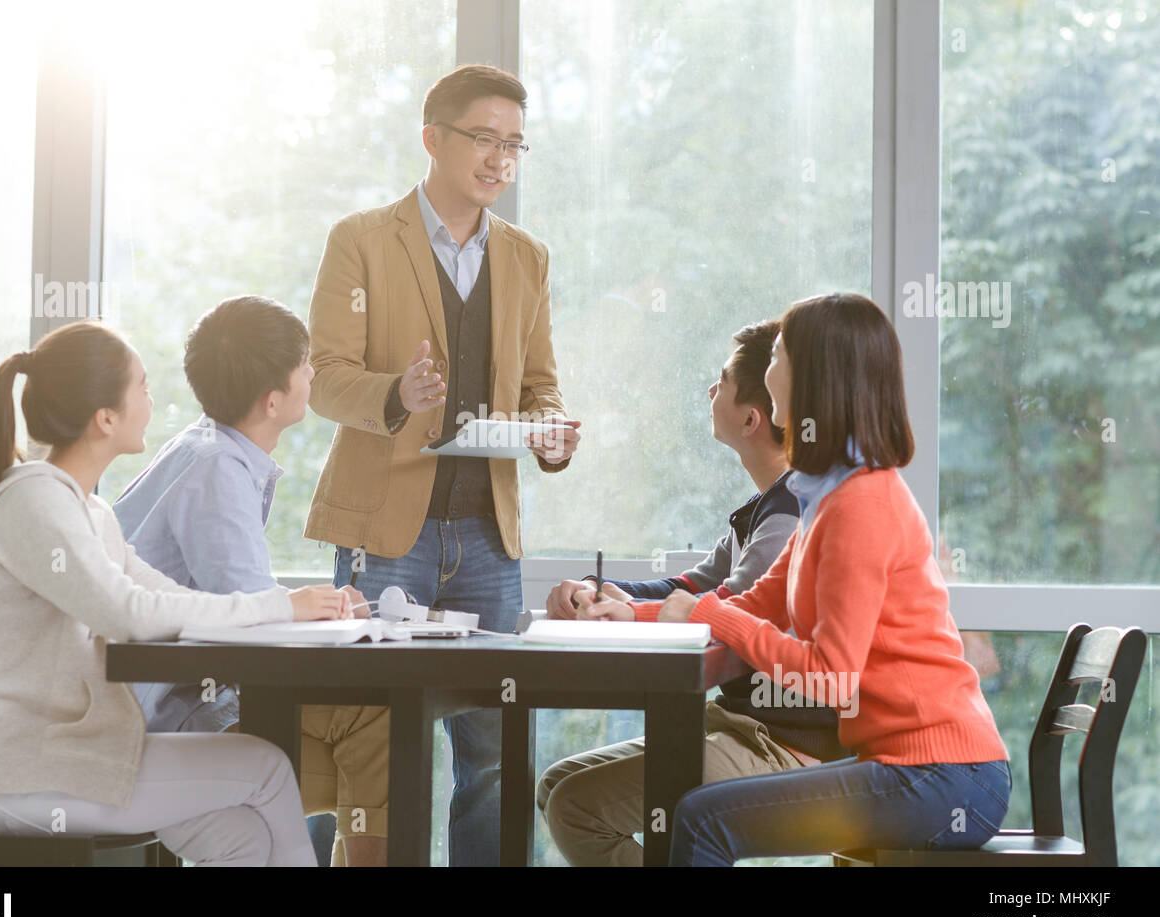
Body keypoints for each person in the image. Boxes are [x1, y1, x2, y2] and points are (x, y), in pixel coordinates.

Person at [580, 293, 1011, 866]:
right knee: (700, 814)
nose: (766, 371)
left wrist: (706, 613)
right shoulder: (830, 495)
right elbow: (758, 603)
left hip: (946, 777)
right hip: (917, 768)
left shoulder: (862, 504)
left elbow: (832, 678)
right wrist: (631, 614)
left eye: (777, 356)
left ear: (814, 376)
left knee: (703, 819)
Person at [0, 321, 348, 866]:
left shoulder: (89, 510)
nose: (153, 399)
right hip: (18, 774)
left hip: (70, 755)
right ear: (105, 418)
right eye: (142, 387)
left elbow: (166, 599)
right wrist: (281, 606)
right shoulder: (33, 502)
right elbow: (129, 614)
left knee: (242, 836)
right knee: (266, 767)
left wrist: (287, 607)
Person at [304, 64, 580, 865]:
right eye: (484, 139)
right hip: (388, 529)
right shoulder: (359, 240)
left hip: (489, 536)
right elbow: (323, 376)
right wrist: (397, 392)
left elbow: (540, 387)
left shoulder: (527, 258)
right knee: (364, 740)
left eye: (514, 144)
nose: (500, 159)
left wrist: (551, 432)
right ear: (434, 138)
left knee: (492, 754)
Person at [536, 319, 850, 866]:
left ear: (752, 418)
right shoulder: (764, 507)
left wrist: (626, 613)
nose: (710, 390)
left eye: (722, 381)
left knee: (573, 806)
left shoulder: (789, 513)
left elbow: (719, 615)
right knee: (558, 783)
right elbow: (686, 589)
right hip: (740, 726)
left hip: (782, 746)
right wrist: (600, 591)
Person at [112, 296, 389, 866]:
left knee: (377, 743)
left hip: (178, 703)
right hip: (171, 718)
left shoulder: (204, 448)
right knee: (379, 729)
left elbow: (241, 603)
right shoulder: (217, 469)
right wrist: (320, 611)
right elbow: (253, 628)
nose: (313, 372)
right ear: (272, 400)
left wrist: (317, 608)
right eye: (304, 364)